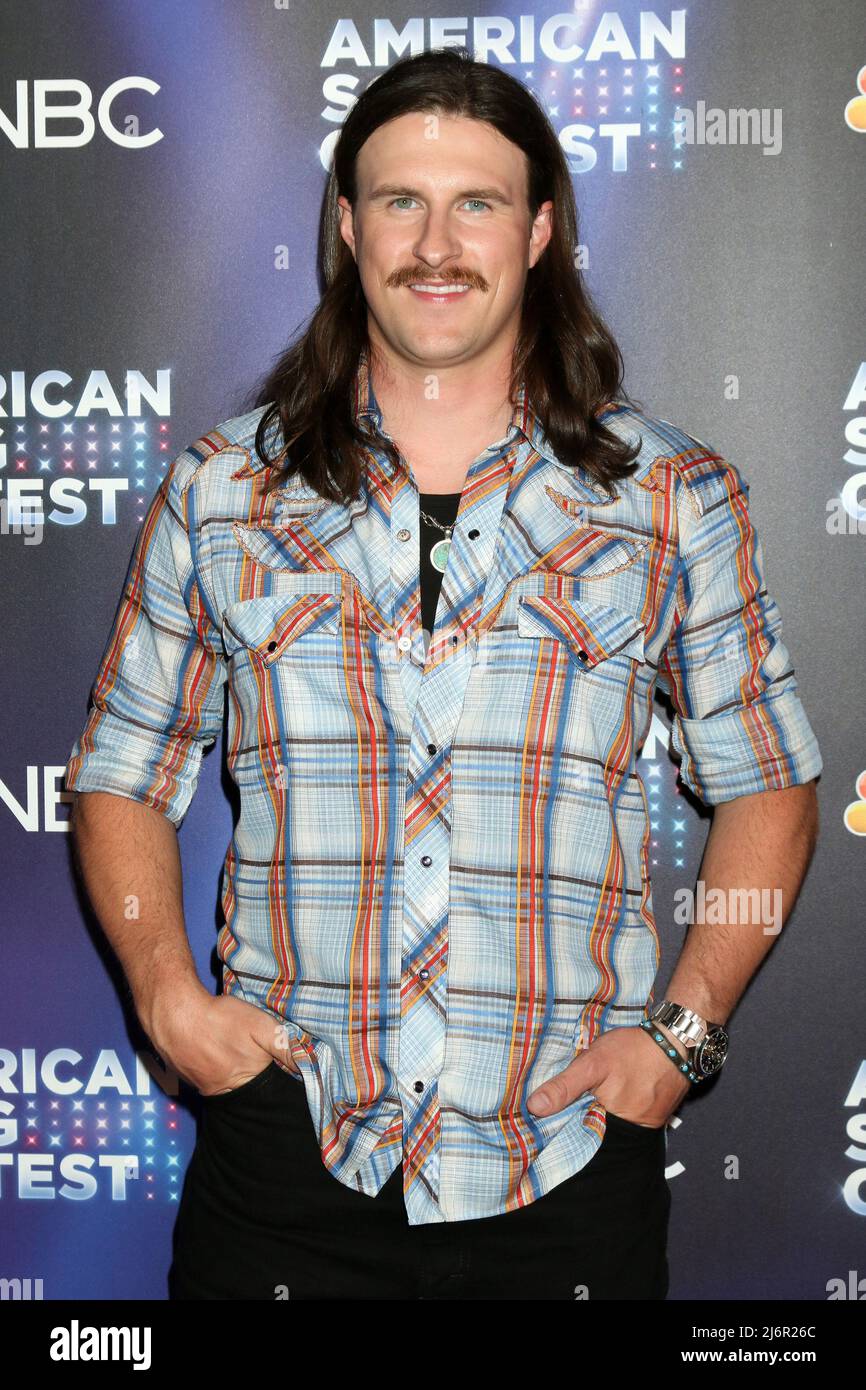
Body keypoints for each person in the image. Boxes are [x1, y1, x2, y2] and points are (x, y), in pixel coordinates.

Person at [64, 48, 822, 1301]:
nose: (434, 242)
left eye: (475, 202)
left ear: (537, 232)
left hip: (564, 1162)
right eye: (400, 202)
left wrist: (678, 1040)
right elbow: (116, 771)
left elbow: (770, 788)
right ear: (346, 227)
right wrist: (162, 994)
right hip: (286, 1157)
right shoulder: (222, 491)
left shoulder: (669, 497)